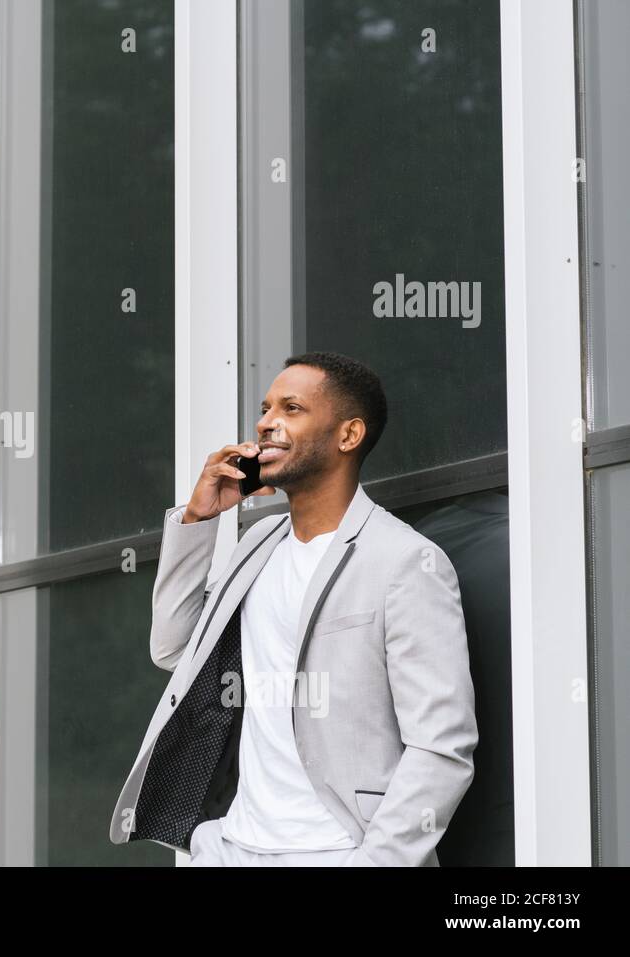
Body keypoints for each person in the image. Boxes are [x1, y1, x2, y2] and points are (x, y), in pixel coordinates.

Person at [107, 351, 478, 866]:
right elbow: (172, 647)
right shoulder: (258, 544)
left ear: (348, 435)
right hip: (232, 848)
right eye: (265, 408)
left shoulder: (405, 562)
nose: (265, 423)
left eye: (292, 408)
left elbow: (441, 748)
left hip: (333, 852)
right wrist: (199, 519)